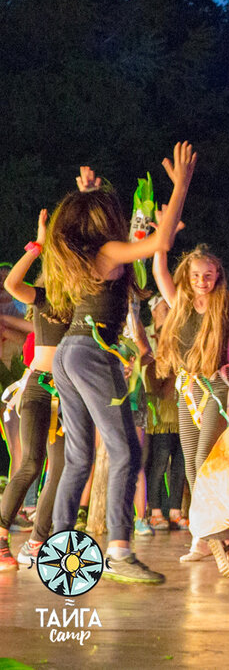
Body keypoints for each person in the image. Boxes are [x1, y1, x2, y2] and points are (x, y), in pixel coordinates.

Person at [47, 145, 195, 584]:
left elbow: (148, 250)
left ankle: (58, 548)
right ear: (102, 221)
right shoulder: (107, 251)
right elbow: (160, 243)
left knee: (78, 457)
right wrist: (182, 185)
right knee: (125, 448)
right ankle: (118, 551)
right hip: (92, 354)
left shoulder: (83, 256)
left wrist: (85, 195)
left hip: (70, 352)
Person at [154, 209, 229, 563]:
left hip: (215, 386)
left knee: (203, 457)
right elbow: (159, 272)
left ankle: (217, 528)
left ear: (217, 277)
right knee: (189, 465)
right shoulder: (179, 303)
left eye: (209, 275)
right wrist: (162, 240)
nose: (202, 280)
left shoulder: (223, 304)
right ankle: (201, 537)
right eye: (197, 275)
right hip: (187, 389)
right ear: (187, 275)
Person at [0, 209, 69, 571]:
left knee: (60, 467)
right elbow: (12, 285)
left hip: (70, 392)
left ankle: (38, 541)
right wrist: (37, 245)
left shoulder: (86, 301)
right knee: (30, 462)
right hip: (40, 387)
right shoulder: (42, 296)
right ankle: (0, 539)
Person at [142, 295, 186, 532]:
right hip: (159, 410)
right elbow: (152, 376)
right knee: (159, 461)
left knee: (180, 461)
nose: (169, 310)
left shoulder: (180, 335)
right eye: (164, 307)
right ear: (154, 311)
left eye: (171, 307)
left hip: (182, 408)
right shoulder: (148, 336)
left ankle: (175, 510)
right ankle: (155, 509)